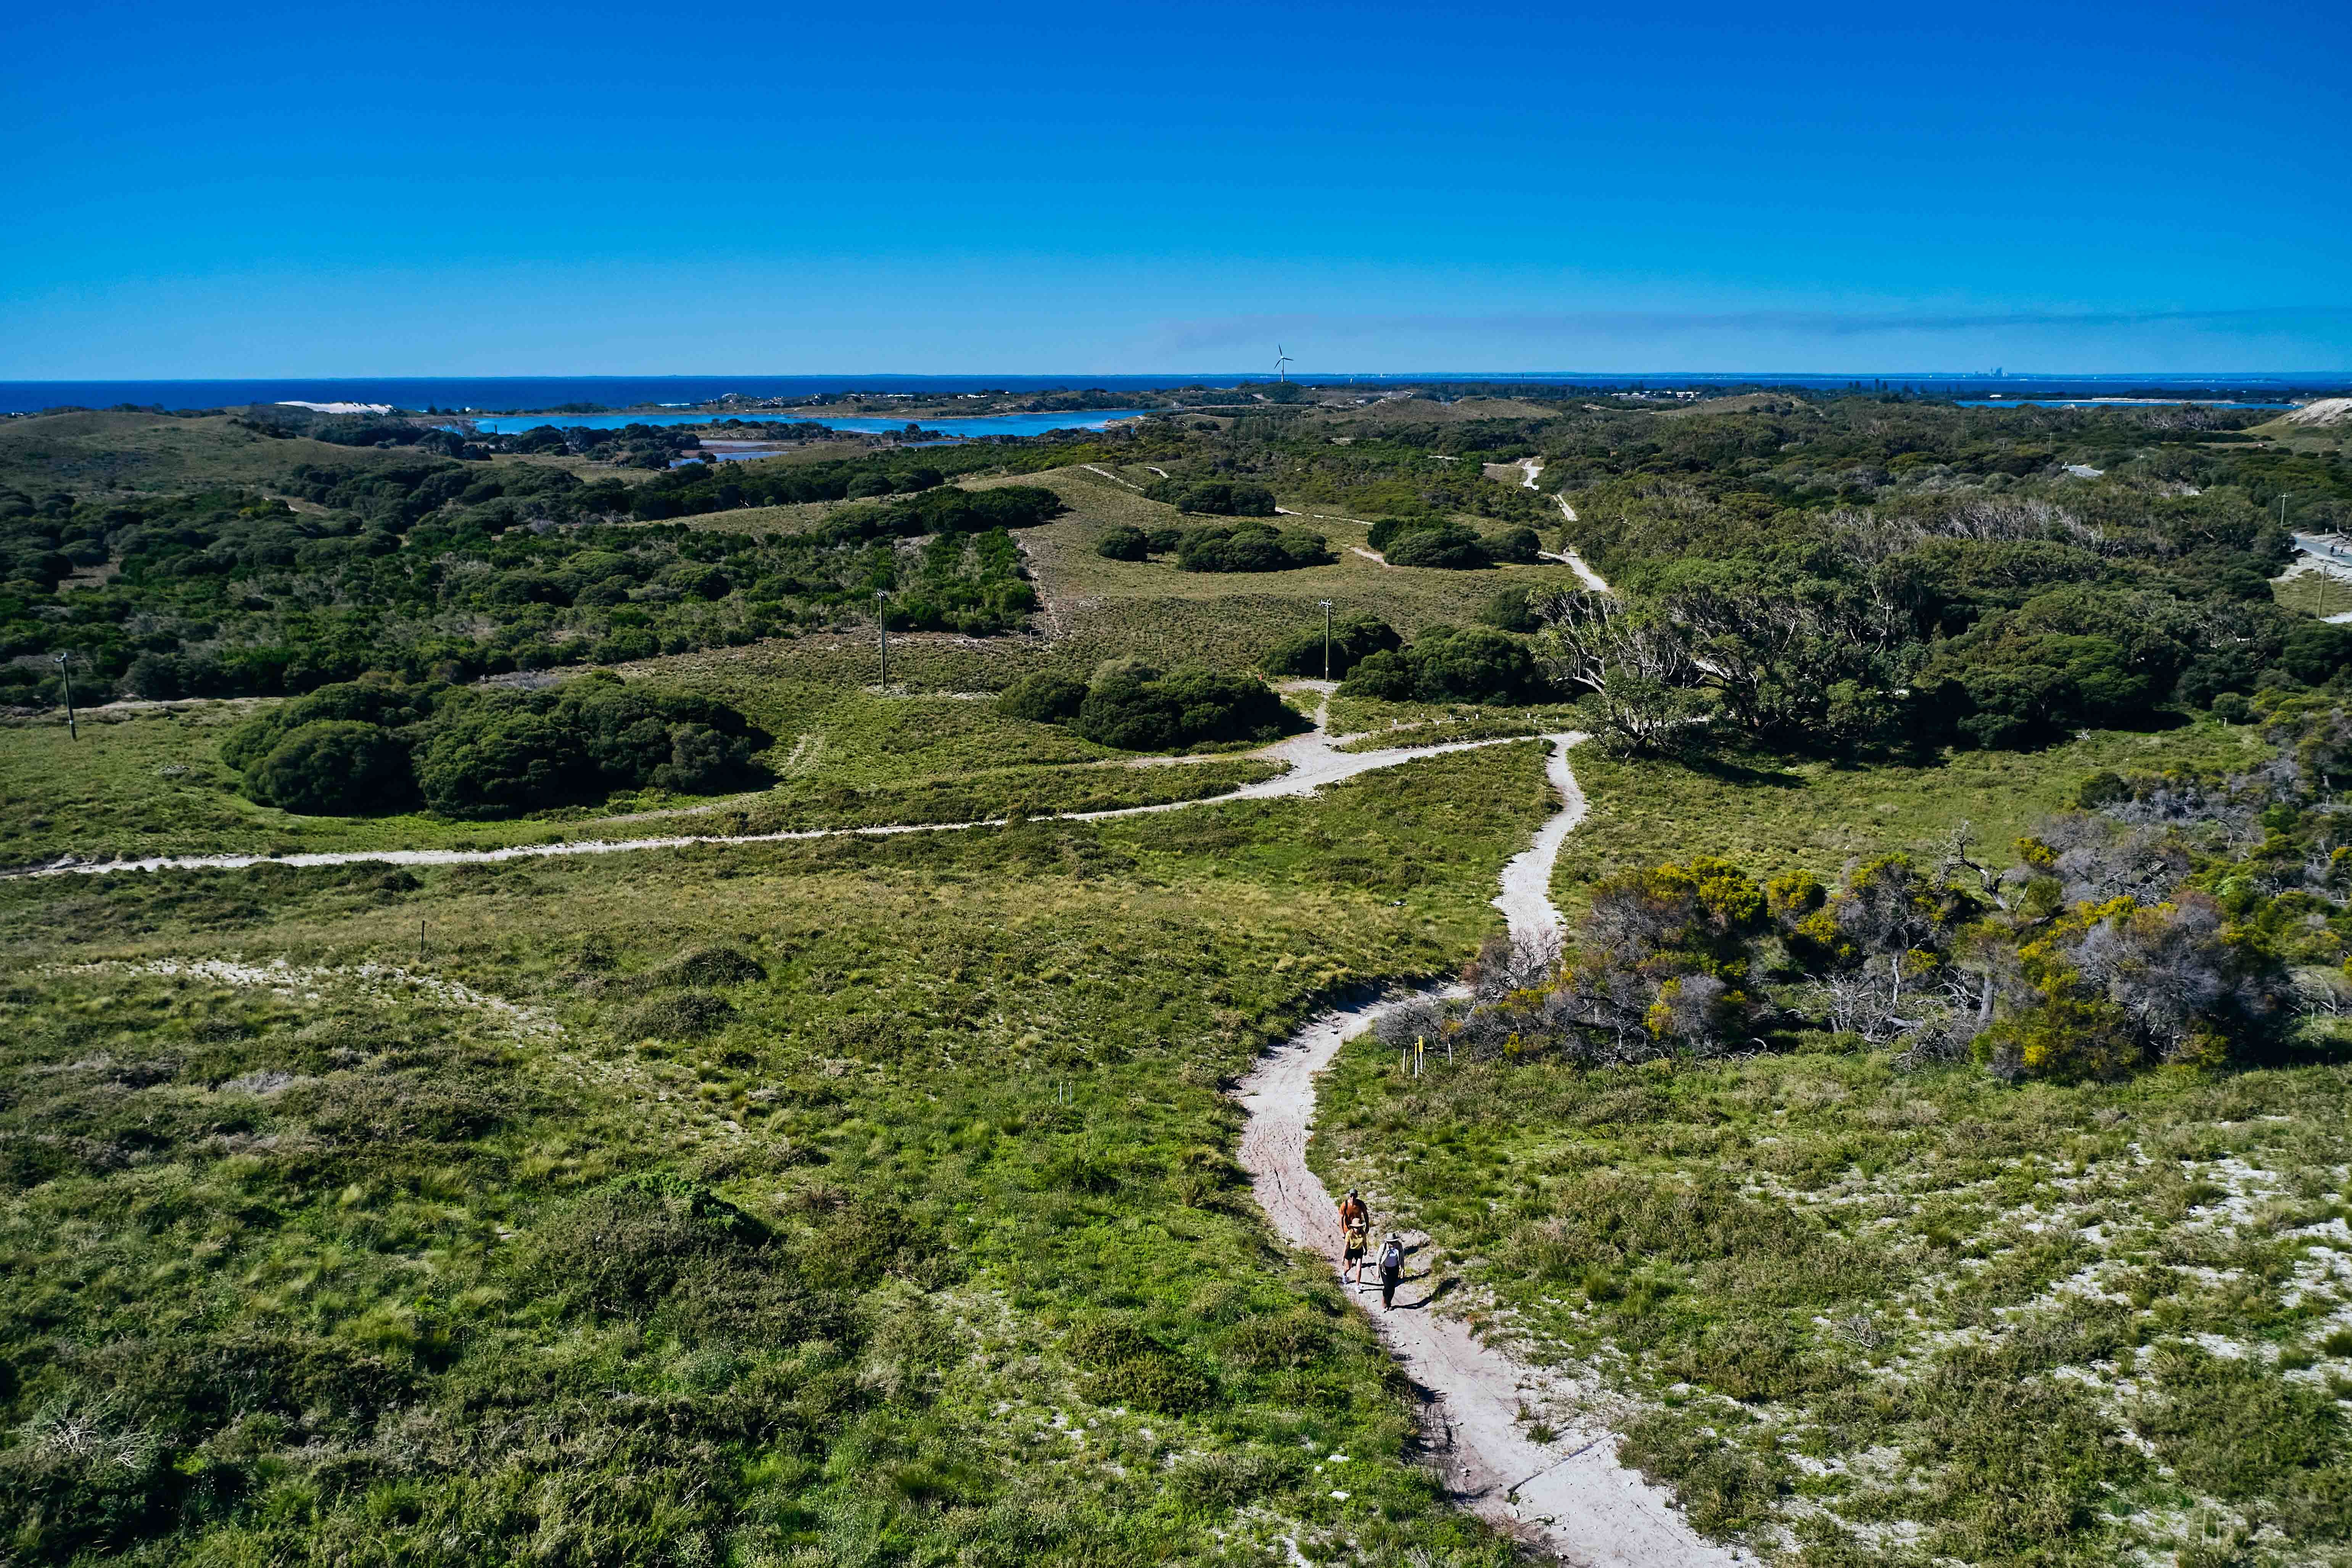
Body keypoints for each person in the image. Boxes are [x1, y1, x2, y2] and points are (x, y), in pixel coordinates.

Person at [1338, 1189, 1370, 1285]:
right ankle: (1347, 1264)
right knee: (1349, 1248)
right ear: (1349, 1196)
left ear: (1357, 1196)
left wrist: (1367, 1225)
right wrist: (1343, 1232)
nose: (1353, 1198)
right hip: (1348, 1229)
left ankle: (1356, 1264)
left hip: (1358, 1228)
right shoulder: (1345, 1205)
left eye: (1354, 1196)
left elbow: (1366, 1214)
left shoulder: (1360, 1204)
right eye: (1351, 1196)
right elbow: (1341, 1218)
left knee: (1358, 1246)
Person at [1378, 1233, 1406, 1310]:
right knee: (1387, 1287)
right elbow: (1379, 1260)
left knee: (1393, 1287)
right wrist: (1377, 1272)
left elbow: (1402, 1258)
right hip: (1385, 1270)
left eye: (1394, 1242)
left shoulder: (1399, 1246)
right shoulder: (1383, 1247)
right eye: (1391, 1243)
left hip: (1395, 1269)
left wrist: (1403, 1269)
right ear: (1387, 1242)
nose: (1393, 1244)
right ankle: (1384, 1298)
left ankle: (1389, 1302)